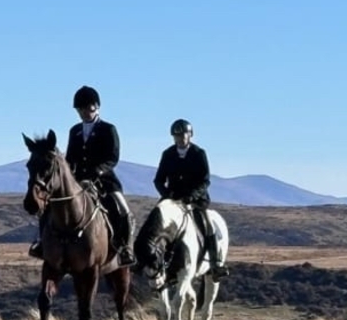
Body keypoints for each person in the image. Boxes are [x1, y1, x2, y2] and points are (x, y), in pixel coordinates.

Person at [28, 85, 135, 267]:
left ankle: (126, 248)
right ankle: (41, 242)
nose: (85, 112)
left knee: (124, 210)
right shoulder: (74, 131)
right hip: (77, 180)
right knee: (49, 207)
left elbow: (113, 157)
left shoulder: (108, 129)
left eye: (88, 108)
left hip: (104, 180)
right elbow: (70, 158)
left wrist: (98, 171)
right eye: (81, 109)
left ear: (96, 107)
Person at [153, 119, 228, 279]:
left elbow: (205, 180)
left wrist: (192, 196)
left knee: (208, 225)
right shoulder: (168, 154)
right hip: (172, 200)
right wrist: (167, 194)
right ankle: (150, 260)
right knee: (155, 222)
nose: (180, 138)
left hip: (195, 200)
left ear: (190, 135)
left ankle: (215, 264)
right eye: (177, 135)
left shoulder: (199, 153)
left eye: (183, 135)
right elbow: (158, 180)